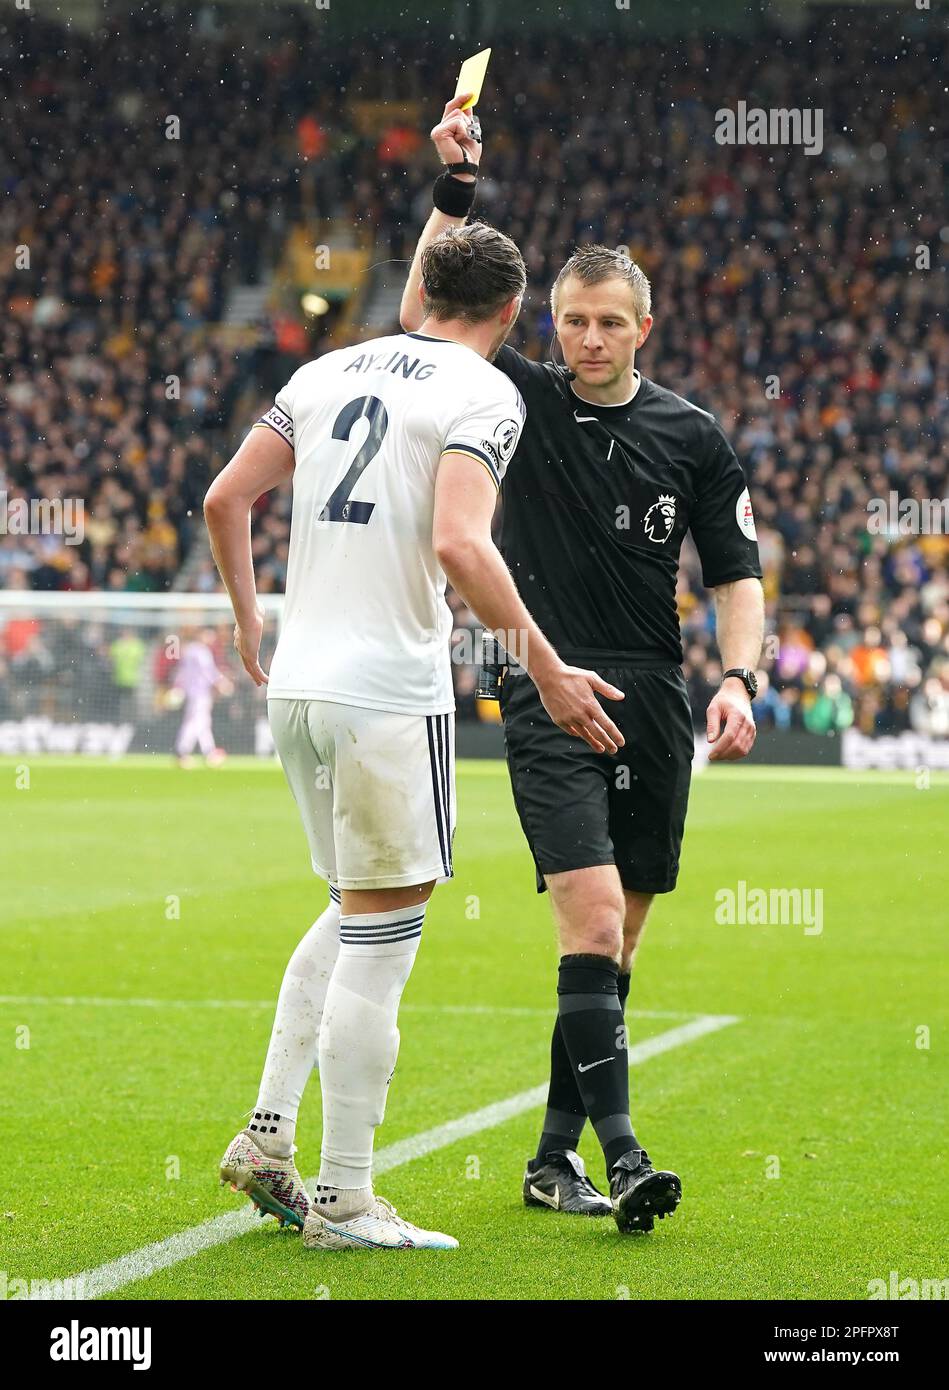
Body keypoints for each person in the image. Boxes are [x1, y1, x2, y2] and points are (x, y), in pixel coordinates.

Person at [204, 212, 625, 1252]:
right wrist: (544, 664)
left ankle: (267, 1137)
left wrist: (253, 618)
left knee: (352, 908)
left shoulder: (326, 368)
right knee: (386, 938)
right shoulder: (484, 392)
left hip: (295, 682)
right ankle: (345, 1198)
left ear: (416, 286)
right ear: (515, 310)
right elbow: (456, 540)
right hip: (388, 690)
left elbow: (224, 498)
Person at [400, 95, 765, 1234]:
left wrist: (739, 675)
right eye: (570, 320)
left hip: (652, 695)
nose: (587, 340)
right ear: (545, 320)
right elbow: (421, 318)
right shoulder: (517, 396)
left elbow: (733, 571)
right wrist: (454, 192)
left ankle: (551, 1158)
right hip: (547, 680)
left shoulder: (694, 436)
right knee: (593, 919)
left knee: (618, 943)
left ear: (642, 326)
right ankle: (626, 1153)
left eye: (608, 322)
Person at [172, 628, 232, 767]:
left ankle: (196, 752)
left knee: (197, 722)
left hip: (191, 692)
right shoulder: (202, 652)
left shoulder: (189, 651)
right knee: (199, 722)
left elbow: (182, 672)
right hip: (200, 693)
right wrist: (222, 683)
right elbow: (208, 672)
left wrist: (178, 687)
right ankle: (191, 752)